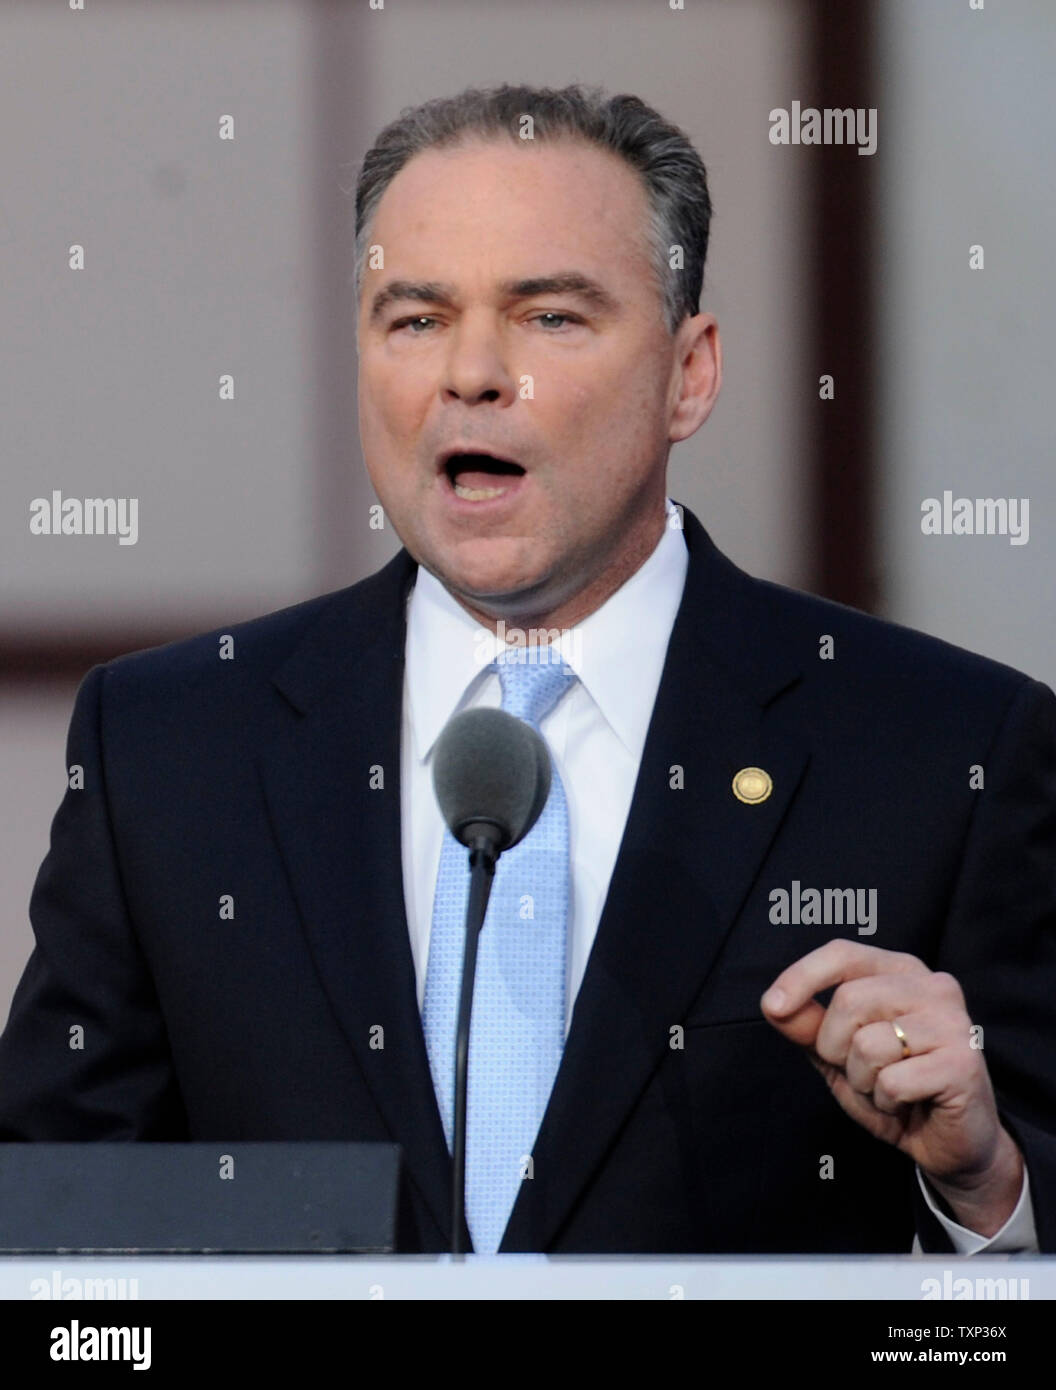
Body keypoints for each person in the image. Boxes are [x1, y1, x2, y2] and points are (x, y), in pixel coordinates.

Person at [1, 84, 1053, 1256]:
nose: (473, 373)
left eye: (550, 317)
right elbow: (60, 1225)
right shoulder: (167, 749)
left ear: (688, 375)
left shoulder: (943, 749)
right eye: (414, 319)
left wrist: (984, 1189)